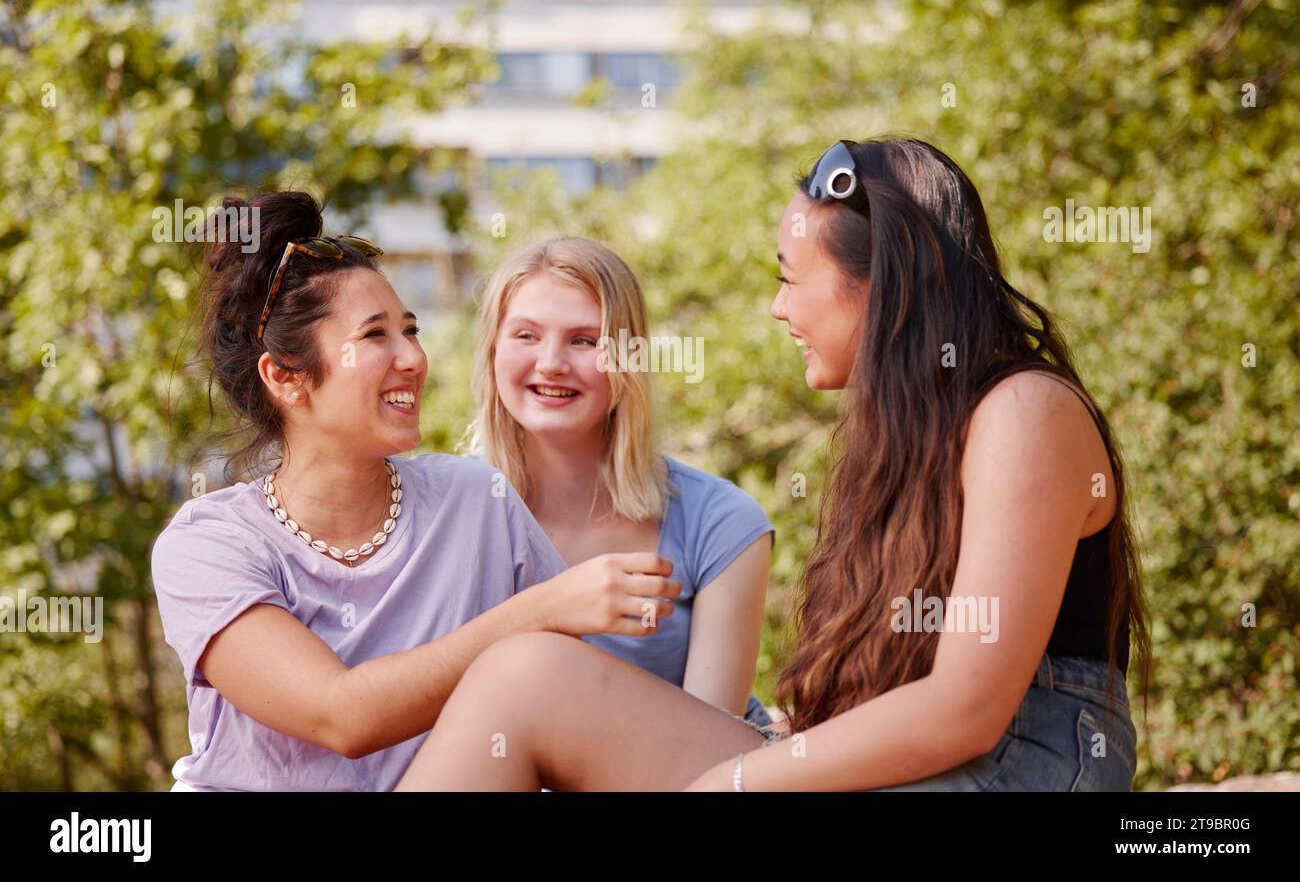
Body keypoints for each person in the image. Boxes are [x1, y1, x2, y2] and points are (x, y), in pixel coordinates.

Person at [395, 136, 1152, 791]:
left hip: (1016, 769)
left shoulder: (1024, 410)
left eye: (791, 278)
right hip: (928, 767)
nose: (777, 308)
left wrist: (736, 776)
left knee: (530, 677)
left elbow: (968, 706)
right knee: (524, 675)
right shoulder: (910, 437)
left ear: (880, 286)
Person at [151, 190, 677, 791]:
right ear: (285, 377)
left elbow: (563, 701)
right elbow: (339, 715)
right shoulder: (208, 545)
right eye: (376, 336)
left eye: (411, 329)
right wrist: (539, 610)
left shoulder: (475, 499)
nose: (413, 358)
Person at [469, 238, 775, 728]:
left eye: (585, 341)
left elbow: (706, 745)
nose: (551, 362)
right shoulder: (443, 510)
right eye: (526, 335)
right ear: (492, 351)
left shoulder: (722, 522)